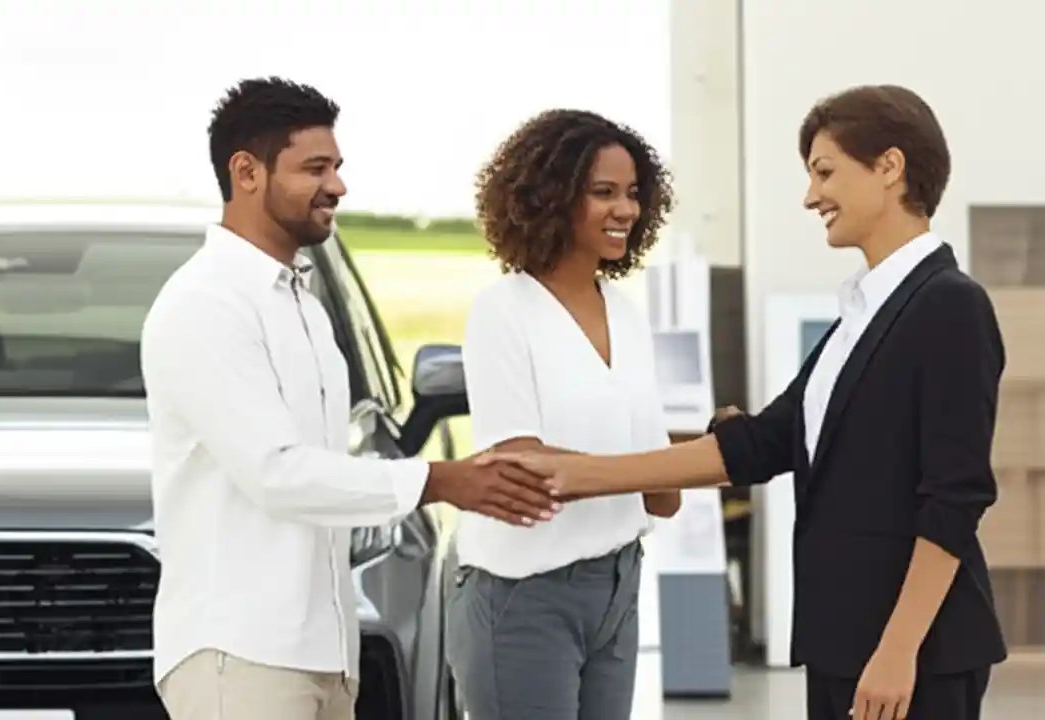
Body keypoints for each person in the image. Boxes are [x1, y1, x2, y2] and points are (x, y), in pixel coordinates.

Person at [486, 84, 1007, 720]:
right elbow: (765, 443)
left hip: (910, 651)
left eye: (825, 172)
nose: (811, 195)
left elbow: (956, 496)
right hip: (846, 639)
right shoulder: (864, 313)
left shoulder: (949, 305)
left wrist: (899, 650)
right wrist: (581, 474)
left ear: (890, 168)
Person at [140, 77, 560, 720]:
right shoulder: (205, 304)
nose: (336, 185)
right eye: (315, 168)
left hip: (324, 652)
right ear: (245, 172)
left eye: (336, 167)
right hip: (241, 653)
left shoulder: (303, 305)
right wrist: (440, 480)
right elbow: (275, 472)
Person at [445, 109, 683, 720]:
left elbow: (664, 496)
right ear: (551, 198)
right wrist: (660, 466)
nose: (625, 209)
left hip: (618, 587)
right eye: (603, 192)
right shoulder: (505, 311)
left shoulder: (627, 316)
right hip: (526, 598)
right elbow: (525, 472)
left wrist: (691, 458)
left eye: (633, 193)